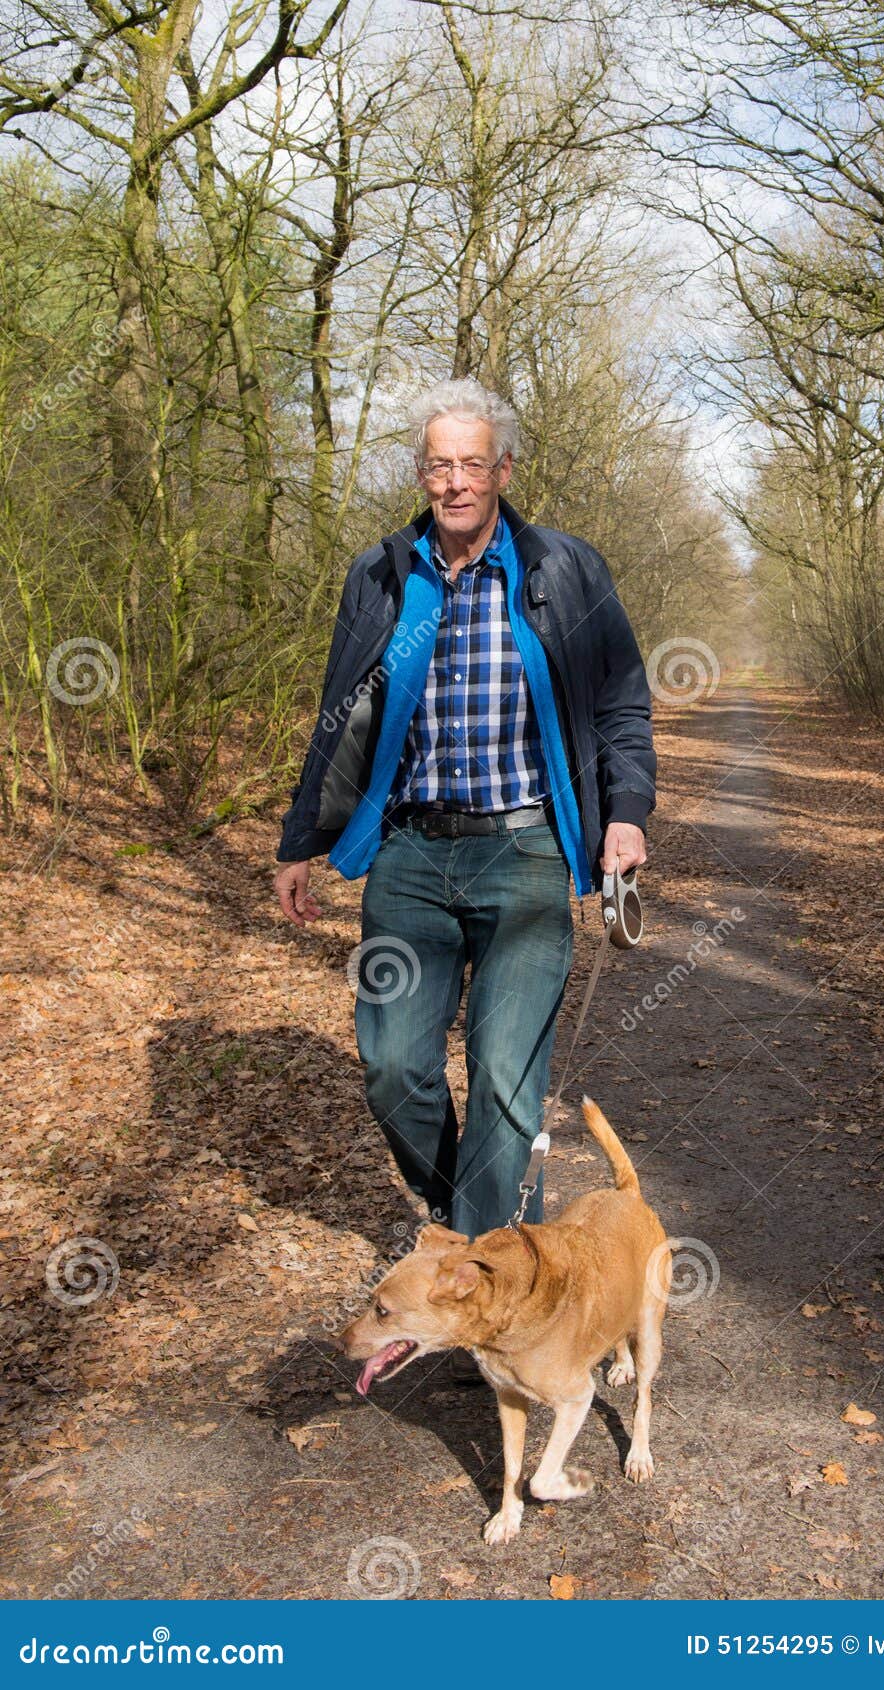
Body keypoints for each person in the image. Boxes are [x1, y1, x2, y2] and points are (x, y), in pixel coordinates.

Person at [274, 377, 655, 1255]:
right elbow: (340, 711)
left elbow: (623, 704)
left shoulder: (564, 568)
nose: (454, 482)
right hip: (408, 854)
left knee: (504, 1083)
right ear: (420, 474)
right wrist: (303, 840)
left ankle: (484, 1279)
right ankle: (471, 1222)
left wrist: (625, 814)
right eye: (438, 465)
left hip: (523, 852)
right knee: (394, 1067)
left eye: (471, 465)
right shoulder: (379, 574)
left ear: (503, 470)